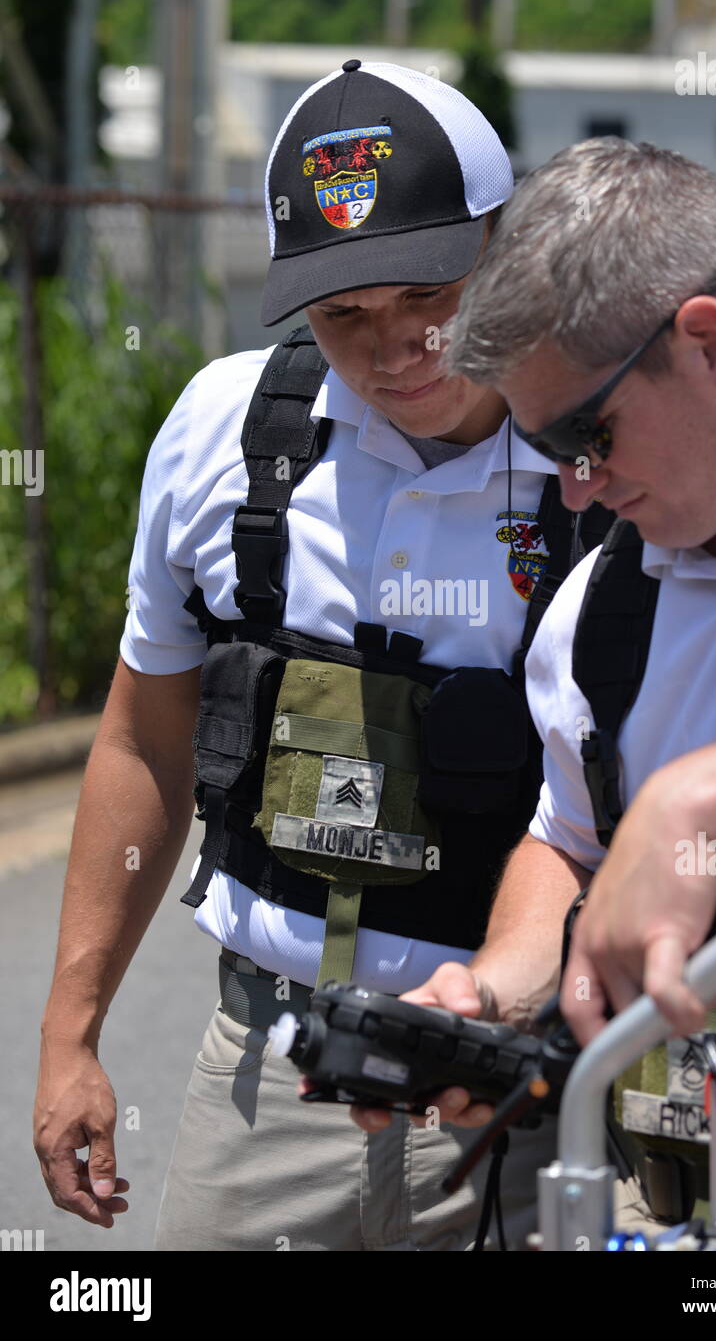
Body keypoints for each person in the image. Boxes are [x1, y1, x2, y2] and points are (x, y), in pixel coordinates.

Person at [32, 61, 572, 1251]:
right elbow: (141, 737)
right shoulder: (229, 434)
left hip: (517, 1090)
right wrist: (71, 1035)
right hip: (268, 1073)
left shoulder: (610, 460)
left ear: (507, 244)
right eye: (345, 318)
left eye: (431, 293)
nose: (397, 349)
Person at [354, 136, 716, 1230]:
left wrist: (700, 796)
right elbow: (575, 840)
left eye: (588, 435)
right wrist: (491, 995)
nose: (577, 490)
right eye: (546, 450)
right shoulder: (604, 606)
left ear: (710, 341)